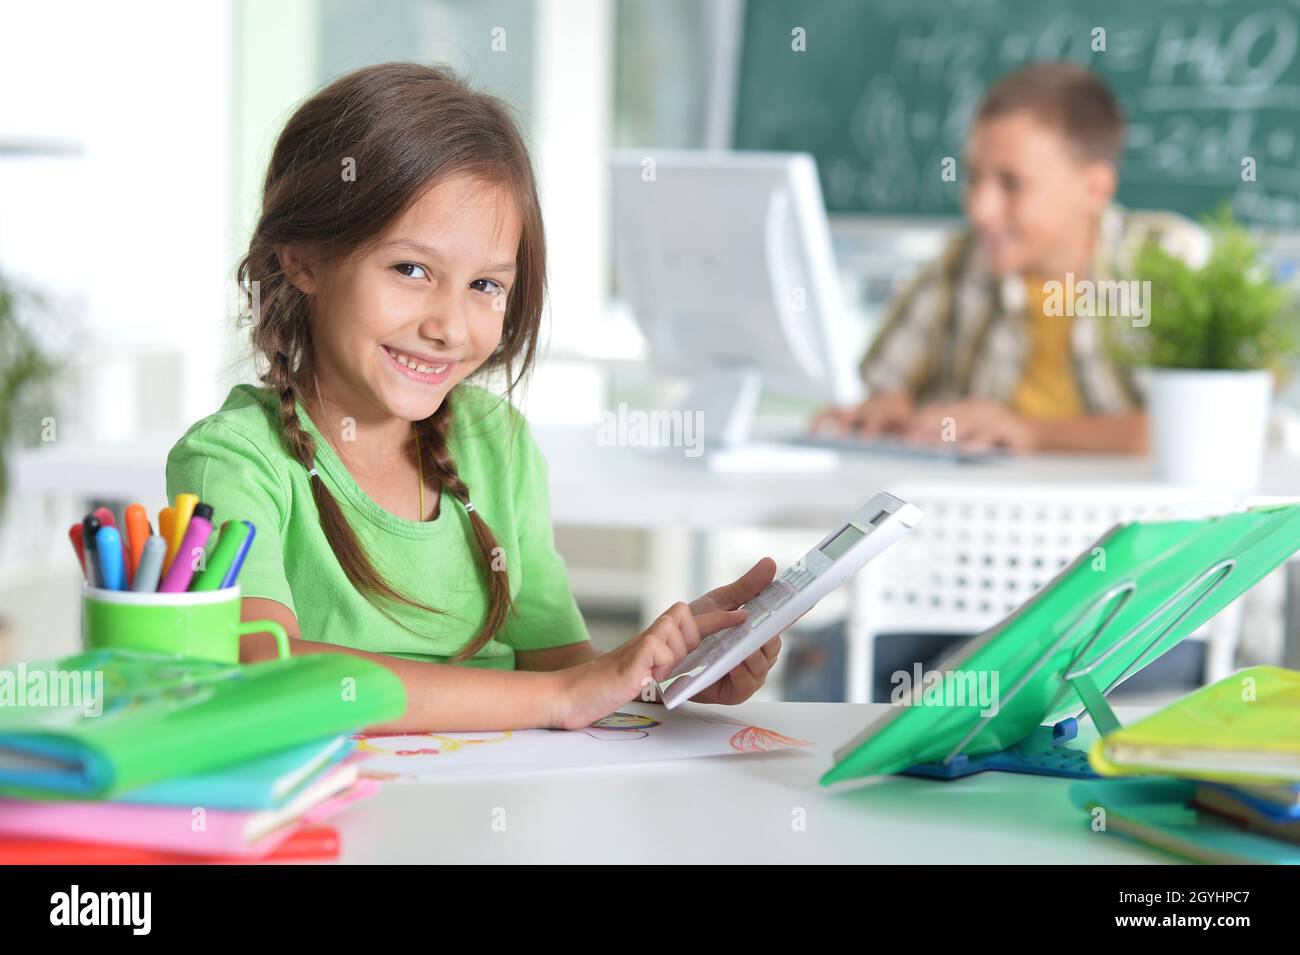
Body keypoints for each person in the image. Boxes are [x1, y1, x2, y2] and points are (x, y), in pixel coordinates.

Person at [167, 64, 781, 733]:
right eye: (410, 269)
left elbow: (565, 675)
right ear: (303, 258)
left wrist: (665, 672)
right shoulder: (232, 461)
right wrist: (561, 695)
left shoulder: (499, 442)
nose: (449, 326)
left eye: (485, 285)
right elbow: (264, 674)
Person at [814, 63, 1210, 453]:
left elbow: (1208, 424)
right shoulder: (963, 259)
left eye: (1012, 184)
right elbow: (885, 382)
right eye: (973, 177)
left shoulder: (1166, 261)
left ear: (1094, 188)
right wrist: (887, 407)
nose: (980, 208)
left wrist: (1032, 433)